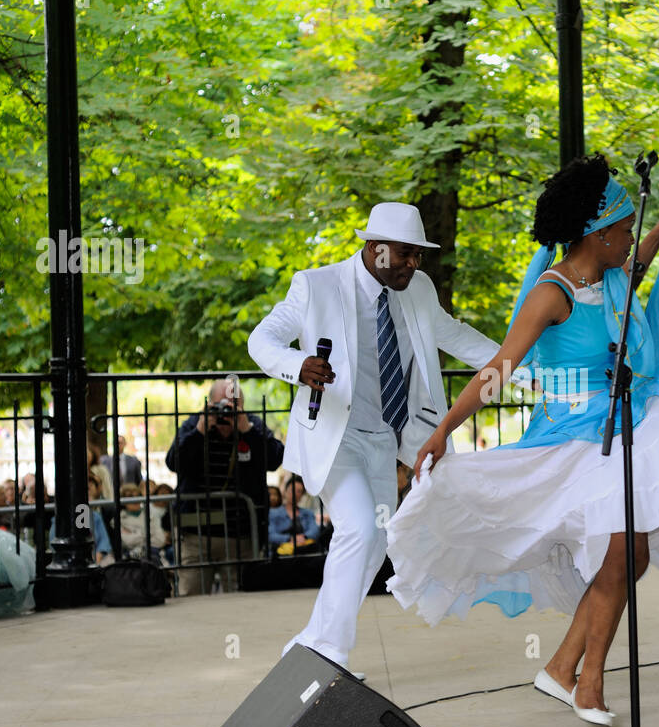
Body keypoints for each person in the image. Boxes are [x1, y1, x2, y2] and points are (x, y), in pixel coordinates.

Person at [386, 159, 659, 727]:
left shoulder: (613, 275)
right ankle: (588, 682)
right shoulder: (553, 294)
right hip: (576, 438)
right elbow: (499, 369)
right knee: (628, 553)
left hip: (628, 422)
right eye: (623, 230)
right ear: (598, 236)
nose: (629, 241)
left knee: (633, 554)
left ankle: (560, 669)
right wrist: (444, 430)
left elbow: (639, 262)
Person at [248, 202, 501, 666]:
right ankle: (330, 654)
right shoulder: (316, 285)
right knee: (359, 528)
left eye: (418, 255)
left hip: (386, 439)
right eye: (405, 253)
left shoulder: (418, 289)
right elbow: (262, 340)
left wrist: (519, 365)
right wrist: (296, 366)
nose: (413, 263)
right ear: (375, 247)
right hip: (333, 436)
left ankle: (308, 645)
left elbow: (457, 336)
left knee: (374, 540)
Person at [166, 376, 284, 594]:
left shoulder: (252, 426)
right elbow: (173, 462)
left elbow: (276, 459)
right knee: (191, 599)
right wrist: (200, 431)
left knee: (241, 601)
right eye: (220, 405)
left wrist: (246, 430)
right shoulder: (194, 425)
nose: (225, 412)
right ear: (209, 404)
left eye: (231, 406)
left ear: (242, 407)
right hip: (195, 534)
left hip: (241, 535)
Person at [269, 475, 322, 554]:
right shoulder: (273, 513)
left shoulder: (308, 513)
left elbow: (315, 531)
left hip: (304, 550)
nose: (294, 494)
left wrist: (303, 537)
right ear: (285, 491)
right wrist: (290, 538)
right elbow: (270, 535)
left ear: (302, 495)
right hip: (281, 553)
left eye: (299, 491)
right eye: (292, 490)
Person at [118, 483, 166, 559]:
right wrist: (149, 534)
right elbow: (128, 542)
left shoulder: (150, 515)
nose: (135, 499)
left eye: (138, 496)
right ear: (123, 499)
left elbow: (160, 539)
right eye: (130, 496)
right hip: (130, 559)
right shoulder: (118, 519)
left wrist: (136, 534)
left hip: (153, 556)